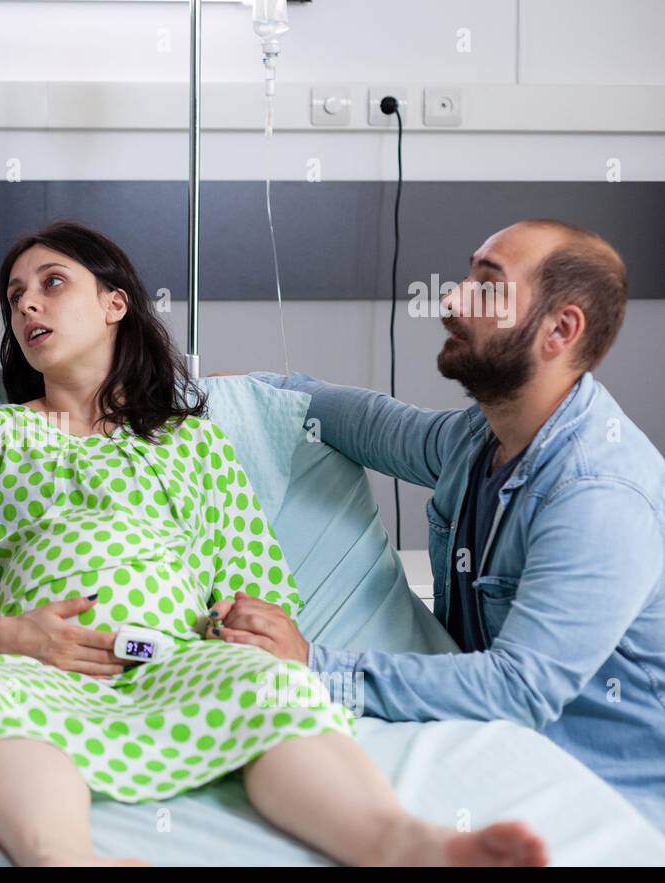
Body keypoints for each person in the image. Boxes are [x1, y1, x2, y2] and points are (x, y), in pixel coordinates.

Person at [0, 220, 548, 866]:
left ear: (116, 304)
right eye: (15, 295)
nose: (26, 305)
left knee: (274, 686)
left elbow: (249, 584)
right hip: (33, 671)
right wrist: (13, 639)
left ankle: (408, 845)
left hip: (178, 661)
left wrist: (247, 627)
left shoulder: (191, 442)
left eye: (52, 284)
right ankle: (63, 860)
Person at [233, 219, 665, 833]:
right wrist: (252, 394)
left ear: (560, 330)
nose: (452, 299)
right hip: (492, 759)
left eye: (487, 288)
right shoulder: (483, 438)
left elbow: (519, 688)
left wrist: (312, 666)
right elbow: (375, 423)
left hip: (606, 802)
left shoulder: (599, 496)